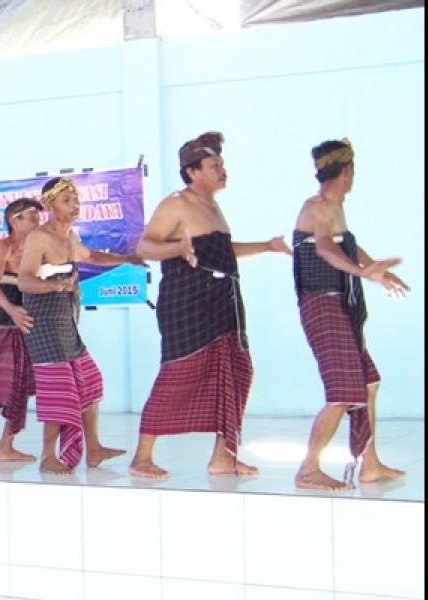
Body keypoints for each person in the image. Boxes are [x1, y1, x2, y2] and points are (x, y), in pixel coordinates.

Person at [129, 131, 291, 479]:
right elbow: (145, 248)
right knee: (179, 373)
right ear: (192, 172)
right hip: (187, 301)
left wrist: (267, 246)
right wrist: (177, 250)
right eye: (214, 165)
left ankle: (224, 455)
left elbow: (221, 253)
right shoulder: (177, 203)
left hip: (224, 301)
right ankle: (142, 457)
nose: (222, 170)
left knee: (237, 371)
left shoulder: (213, 207)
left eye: (221, 164)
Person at [292, 138, 409, 490]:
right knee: (343, 391)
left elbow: (348, 246)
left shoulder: (334, 209)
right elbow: (326, 248)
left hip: (340, 306)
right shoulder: (316, 208)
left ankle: (369, 464)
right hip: (321, 305)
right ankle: (308, 468)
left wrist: (378, 272)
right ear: (346, 172)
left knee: (368, 382)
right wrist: (362, 272)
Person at [18, 176, 142, 474]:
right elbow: (24, 279)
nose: (74, 205)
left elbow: (90, 256)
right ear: (49, 206)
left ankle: (94, 448)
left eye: (76, 199)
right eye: (66, 200)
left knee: (90, 380)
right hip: (44, 323)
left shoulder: (70, 236)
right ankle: (48, 456)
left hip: (67, 322)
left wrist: (126, 259)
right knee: (58, 389)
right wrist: (54, 287)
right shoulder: (39, 237)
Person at [0, 197, 41, 468]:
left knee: (21, 382)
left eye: (38, 217)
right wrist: (12, 310)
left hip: (21, 320)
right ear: (14, 221)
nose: (37, 222)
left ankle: (6, 446)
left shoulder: (37, 248)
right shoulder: (3, 247)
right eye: (31, 217)